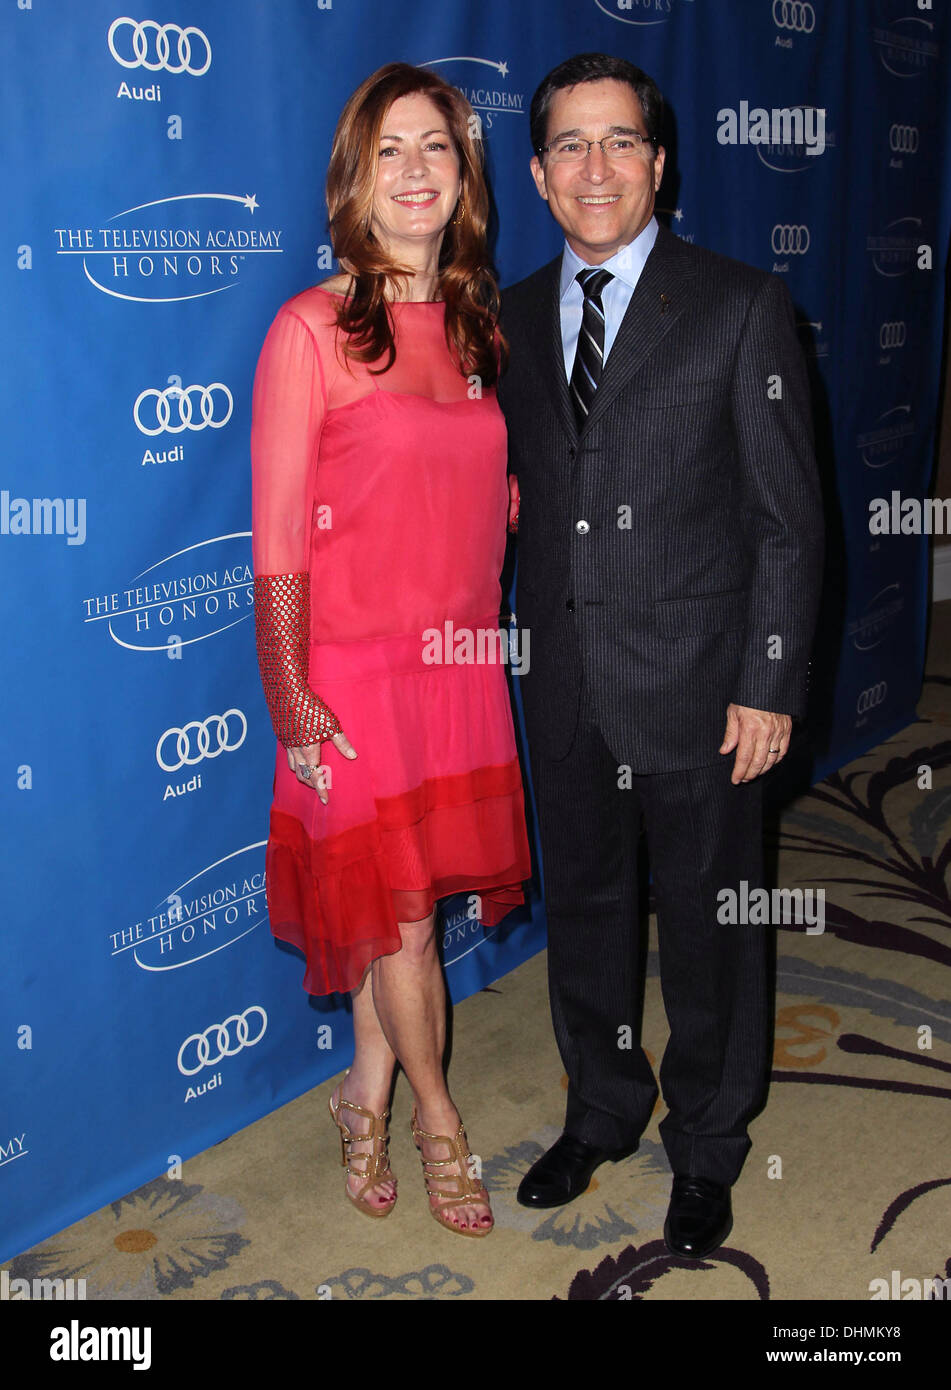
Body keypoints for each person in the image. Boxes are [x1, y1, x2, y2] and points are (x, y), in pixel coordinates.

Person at [497, 52, 824, 1258]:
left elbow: (790, 518)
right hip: (571, 685)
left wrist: (771, 683)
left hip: (704, 686)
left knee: (710, 923)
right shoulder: (516, 314)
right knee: (585, 913)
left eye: (620, 141)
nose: (598, 166)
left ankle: (710, 1143)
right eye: (571, 145)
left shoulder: (741, 304)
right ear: (537, 172)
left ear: (660, 161)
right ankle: (601, 1108)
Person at [250, 63, 531, 1237]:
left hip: (457, 672)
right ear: (353, 182)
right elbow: (276, 544)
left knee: (393, 908)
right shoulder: (309, 331)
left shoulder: (476, 326)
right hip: (356, 684)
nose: (416, 171)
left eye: (438, 148)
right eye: (390, 151)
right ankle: (438, 1124)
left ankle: (358, 1096)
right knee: (406, 921)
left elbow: (495, 505)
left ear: (464, 177)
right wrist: (292, 701)